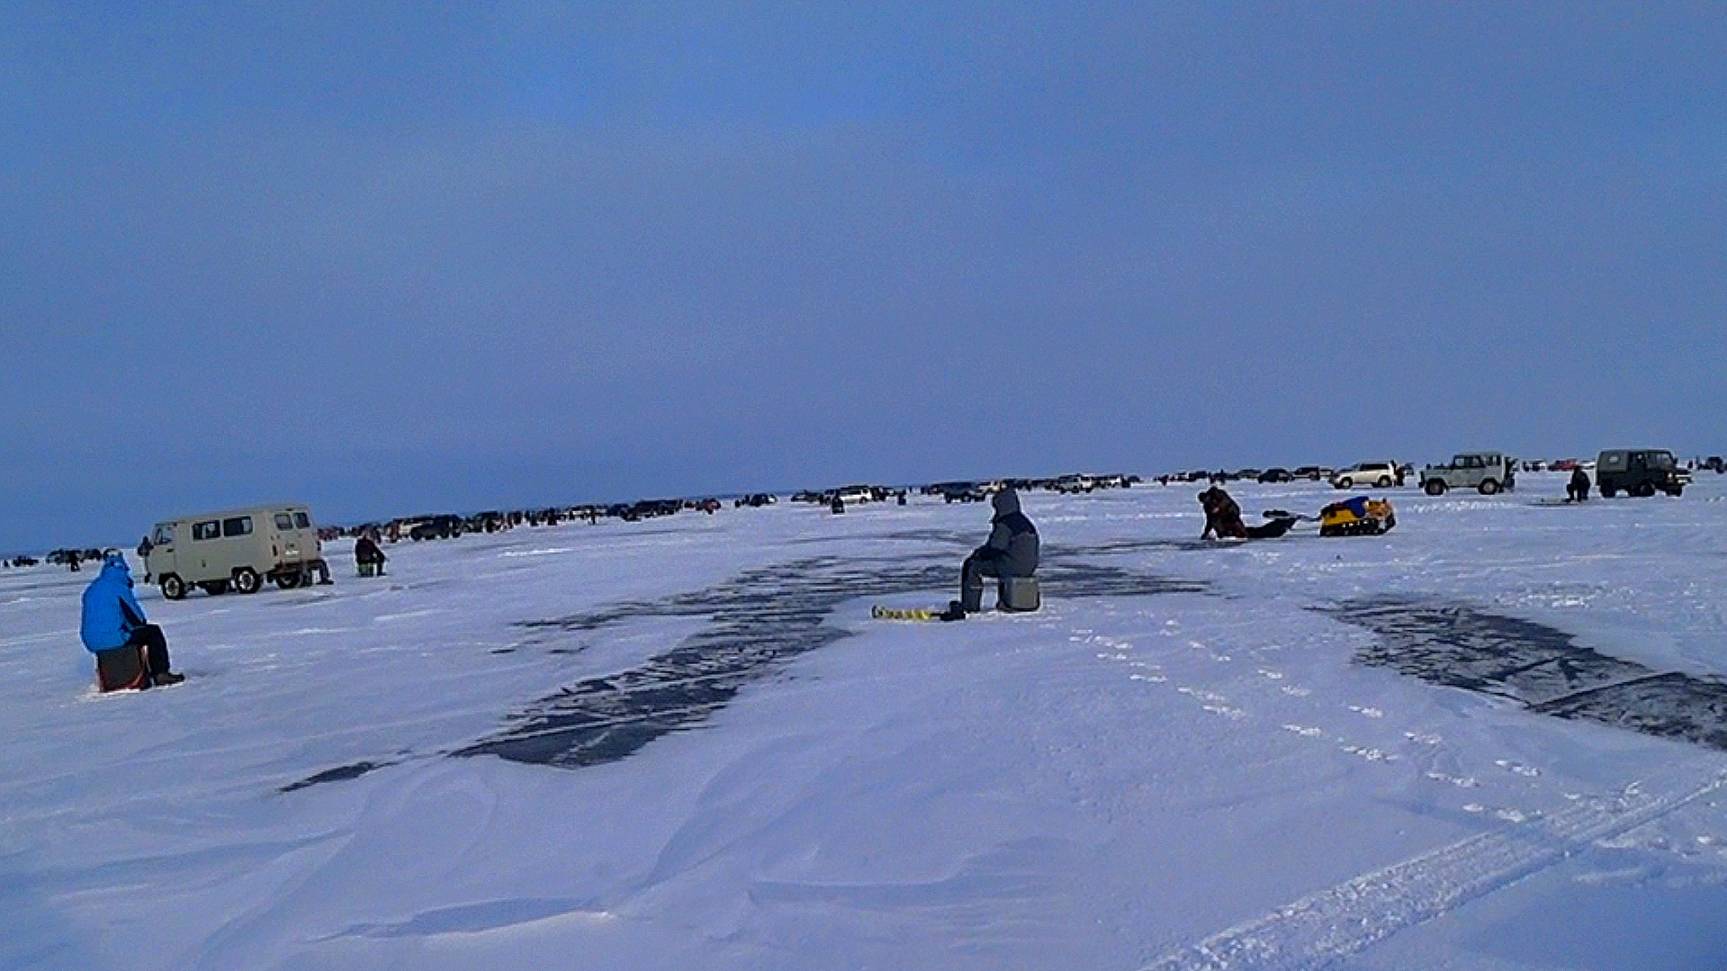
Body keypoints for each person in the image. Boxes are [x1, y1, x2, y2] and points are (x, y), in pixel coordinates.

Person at [80, 553, 183, 688]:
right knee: (153, 632)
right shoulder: (118, 587)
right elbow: (136, 618)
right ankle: (160, 673)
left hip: (92, 642)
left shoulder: (91, 589)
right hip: (114, 638)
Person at [956, 489, 1039, 616]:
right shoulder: (1025, 522)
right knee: (996, 563)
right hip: (1028, 567)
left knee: (972, 566)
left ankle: (969, 606)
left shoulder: (1006, 524)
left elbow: (995, 547)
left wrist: (978, 554)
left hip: (1011, 565)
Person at [1200, 486, 1297, 540]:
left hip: (1232, 513)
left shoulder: (1217, 494)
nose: (1208, 503)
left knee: (1241, 531)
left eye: (1207, 500)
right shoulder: (1207, 506)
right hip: (1224, 519)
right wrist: (1206, 532)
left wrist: (1218, 508)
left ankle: (1280, 525)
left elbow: (1226, 502)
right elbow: (1210, 519)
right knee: (1223, 530)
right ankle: (1229, 534)